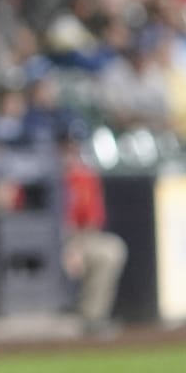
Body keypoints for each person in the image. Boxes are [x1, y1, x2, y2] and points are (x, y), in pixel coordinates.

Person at [58, 124, 126, 337]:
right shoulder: (46, 173)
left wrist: (75, 248)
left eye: (75, 145)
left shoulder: (85, 177)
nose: (71, 150)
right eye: (66, 146)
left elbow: (91, 221)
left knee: (112, 249)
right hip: (49, 240)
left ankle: (92, 318)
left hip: (77, 238)